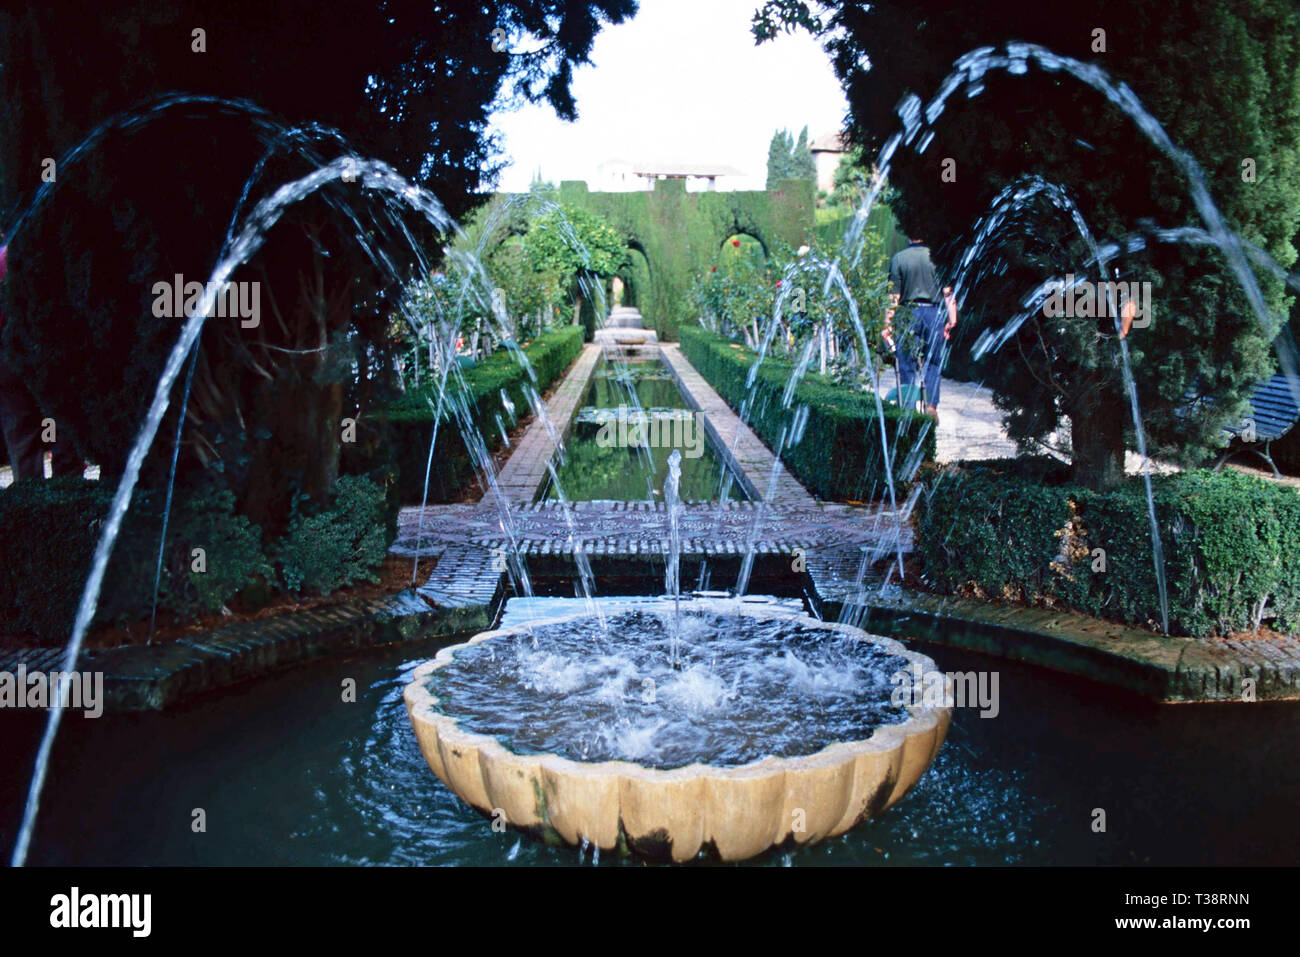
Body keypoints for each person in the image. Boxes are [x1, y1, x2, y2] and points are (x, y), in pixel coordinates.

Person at [0, 245, 81, 481]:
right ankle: (69, 491)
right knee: (61, 423)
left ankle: (30, 495)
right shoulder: (40, 251)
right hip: (45, 351)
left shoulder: (9, 256)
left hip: (8, 357)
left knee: (22, 433)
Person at [882, 235, 957, 422]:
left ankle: (908, 407)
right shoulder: (938, 257)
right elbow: (948, 292)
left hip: (909, 314)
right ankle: (931, 404)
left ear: (909, 235)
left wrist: (887, 324)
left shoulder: (899, 258)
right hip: (934, 314)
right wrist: (952, 319)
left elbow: (894, 297)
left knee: (906, 363)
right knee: (933, 362)